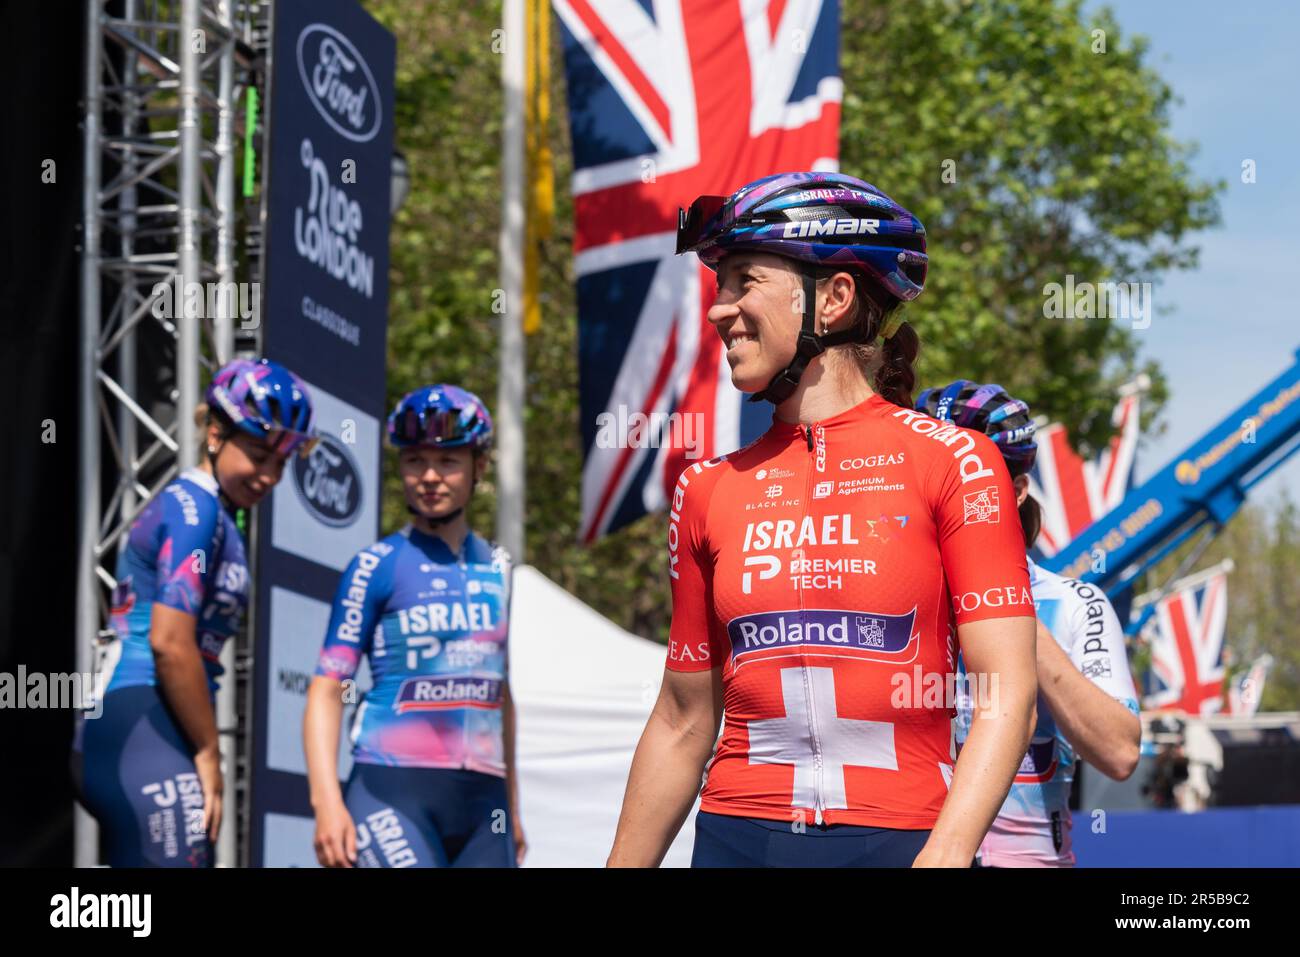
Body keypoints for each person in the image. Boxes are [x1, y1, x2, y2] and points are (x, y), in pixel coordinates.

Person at [608, 171, 1039, 868]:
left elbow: (1005, 690)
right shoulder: (705, 488)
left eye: (744, 280)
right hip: (735, 837)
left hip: (900, 839)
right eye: (720, 286)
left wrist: (951, 850)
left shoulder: (957, 460)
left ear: (834, 298)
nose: (720, 310)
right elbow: (684, 718)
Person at [72, 357, 317, 866]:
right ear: (214, 434)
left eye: (281, 462)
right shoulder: (197, 510)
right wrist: (209, 752)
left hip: (156, 722)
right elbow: (169, 642)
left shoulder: (220, 517)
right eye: (257, 455)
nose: (269, 475)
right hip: (137, 714)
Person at [917, 380, 1141, 867]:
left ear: (1016, 491)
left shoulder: (1074, 602)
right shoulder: (896, 596)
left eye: (968, 479)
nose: (943, 496)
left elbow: (1120, 752)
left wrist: (1014, 614)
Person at [304, 385, 523, 868]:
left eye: (447, 462)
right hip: (391, 787)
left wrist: (514, 807)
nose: (428, 477)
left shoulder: (499, 568)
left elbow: (500, 693)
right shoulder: (375, 565)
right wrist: (326, 804)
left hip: (485, 802)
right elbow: (326, 688)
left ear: (478, 467)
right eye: (413, 461)